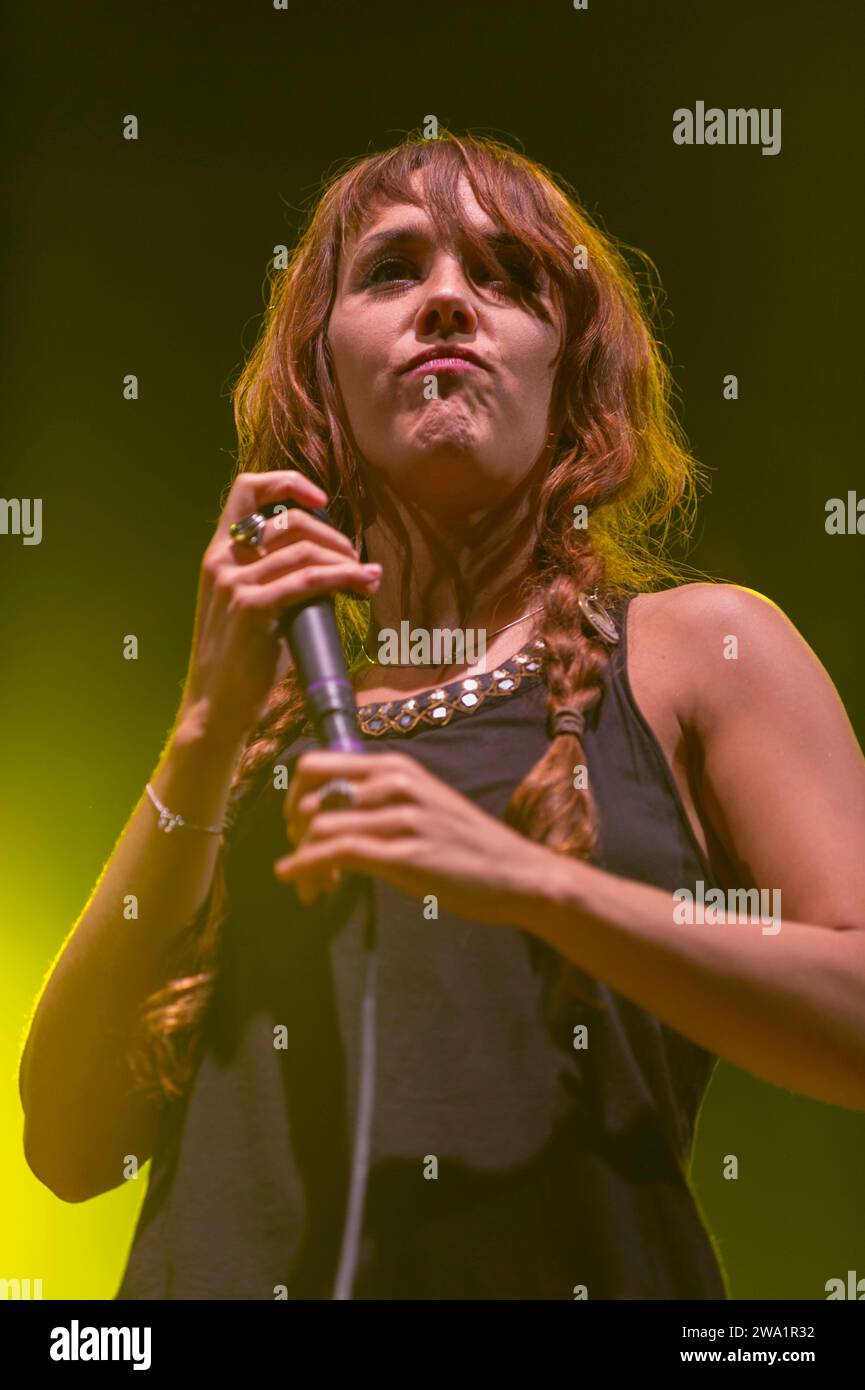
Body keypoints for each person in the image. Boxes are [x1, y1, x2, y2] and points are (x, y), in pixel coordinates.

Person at [19, 133, 865, 1301]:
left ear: (571, 372)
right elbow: (66, 1144)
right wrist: (203, 728)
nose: (450, 303)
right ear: (323, 374)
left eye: (507, 278)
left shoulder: (698, 651)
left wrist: (532, 881)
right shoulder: (260, 737)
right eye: (391, 271)